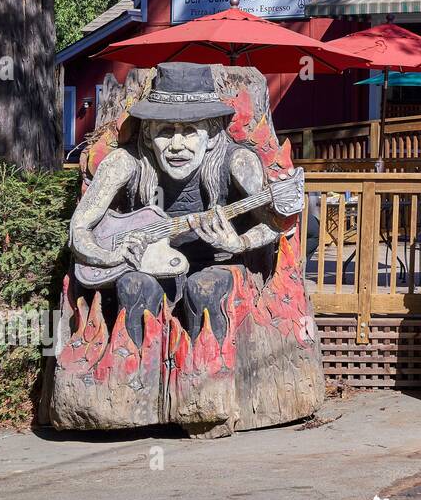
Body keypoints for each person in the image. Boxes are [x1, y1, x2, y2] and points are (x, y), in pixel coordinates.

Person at [68, 62, 299, 346]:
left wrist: (240, 243)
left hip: (217, 266)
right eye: (166, 130)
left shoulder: (238, 163)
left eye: (189, 131)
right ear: (149, 133)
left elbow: (279, 222)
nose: (177, 144)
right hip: (146, 266)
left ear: (212, 135)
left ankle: (208, 381)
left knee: (204, 289)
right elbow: (79, 228)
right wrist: (112, 257)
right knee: (134, 287)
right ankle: (139, 378)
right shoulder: (125, 163)